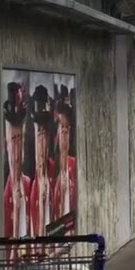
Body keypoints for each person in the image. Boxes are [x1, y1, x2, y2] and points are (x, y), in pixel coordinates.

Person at [2, 82, 33, 239]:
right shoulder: (4, 196)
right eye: (13, 139)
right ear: (6, 144)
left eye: (19, 138)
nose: (17, 147)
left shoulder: (28, 185)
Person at [29, 85, 56, 237]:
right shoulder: (30, 184)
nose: (42, 140)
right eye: (39, 132)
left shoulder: (54, 170)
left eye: (44, 133)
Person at [52, 85, 77, 232]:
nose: (65, 133)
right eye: (62, 128)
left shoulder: (74, 165)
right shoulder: (51, 168)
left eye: (68, 128)